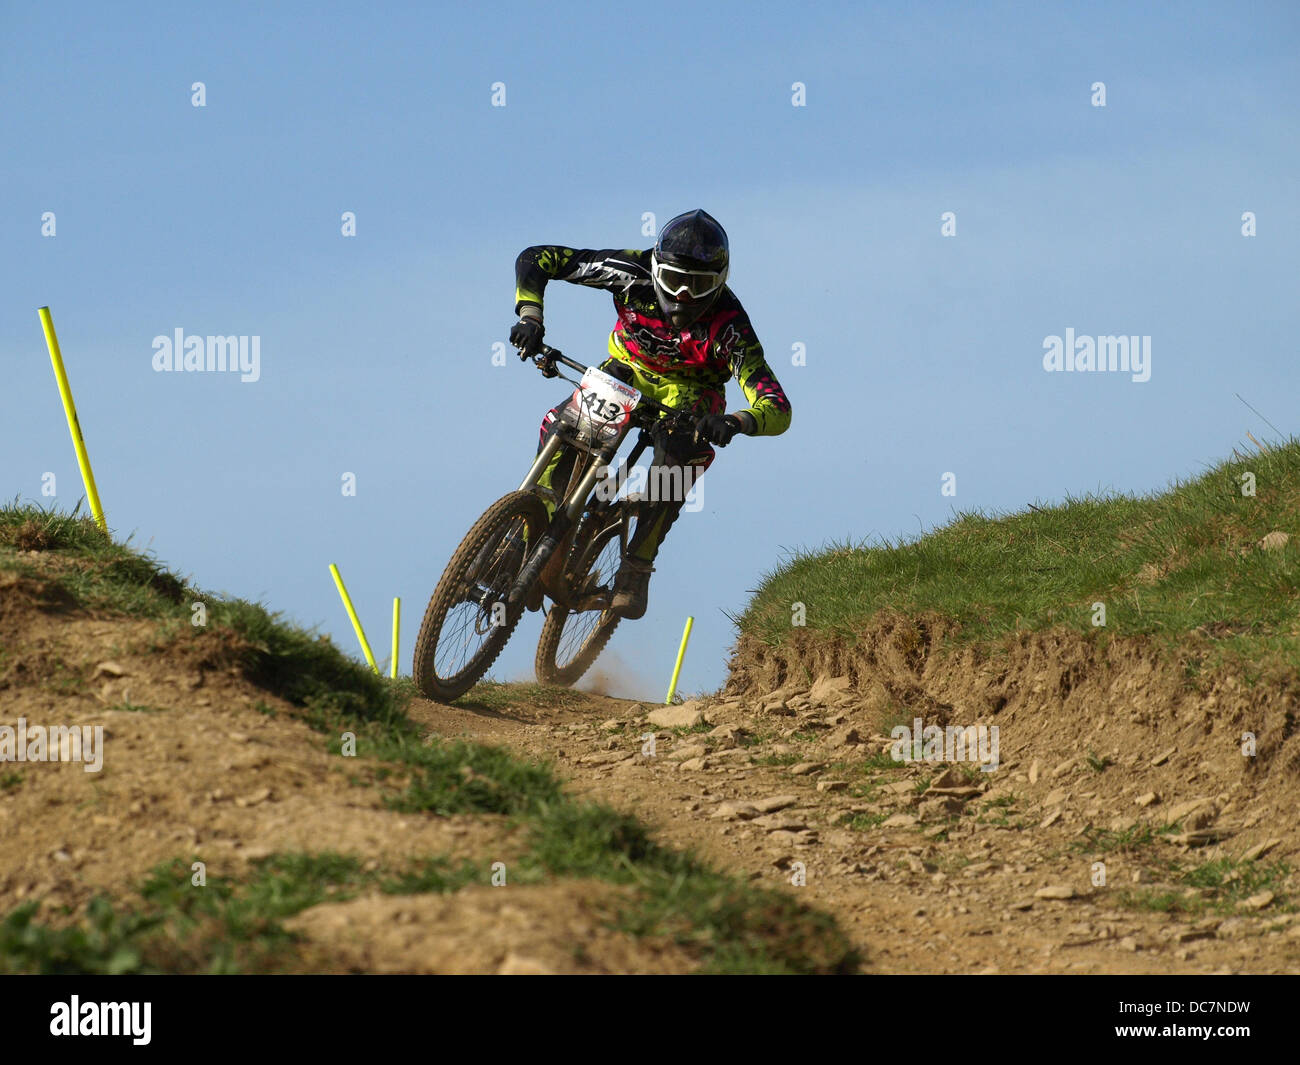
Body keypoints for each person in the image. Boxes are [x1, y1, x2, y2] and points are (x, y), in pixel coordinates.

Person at [509, 209, 792, 619]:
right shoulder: (628, 270)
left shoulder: (731, 325)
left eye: (698, 286)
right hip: (628, 371)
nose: (682, 297)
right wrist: (530, 316)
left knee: (678, 458)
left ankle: (636, 568)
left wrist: (736, 422)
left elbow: (777, 406)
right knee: (565, 426)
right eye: (674, 280)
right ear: (656, 268)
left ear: (721, 283)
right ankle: (525, 534)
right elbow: (537, 259)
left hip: (691, 396)